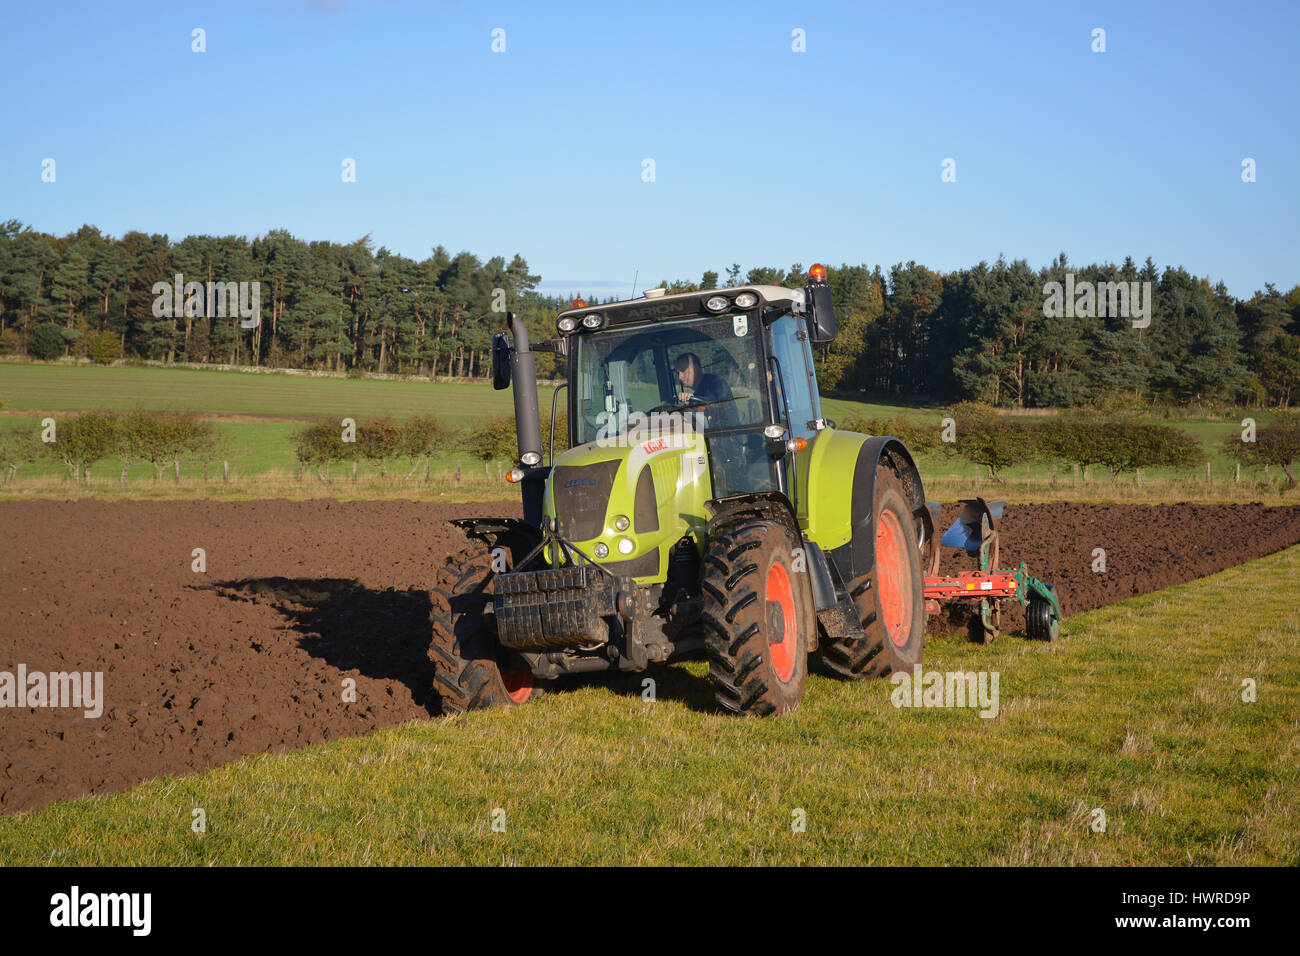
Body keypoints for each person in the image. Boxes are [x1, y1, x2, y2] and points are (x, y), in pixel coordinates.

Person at [675, 351, 737, 430]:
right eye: (678, 373)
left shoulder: (716, 382)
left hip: (728, 433)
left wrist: (694, 402)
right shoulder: (698, 392)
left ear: (695, 369)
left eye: (683, 371)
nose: (680, 377)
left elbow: (718, 407)